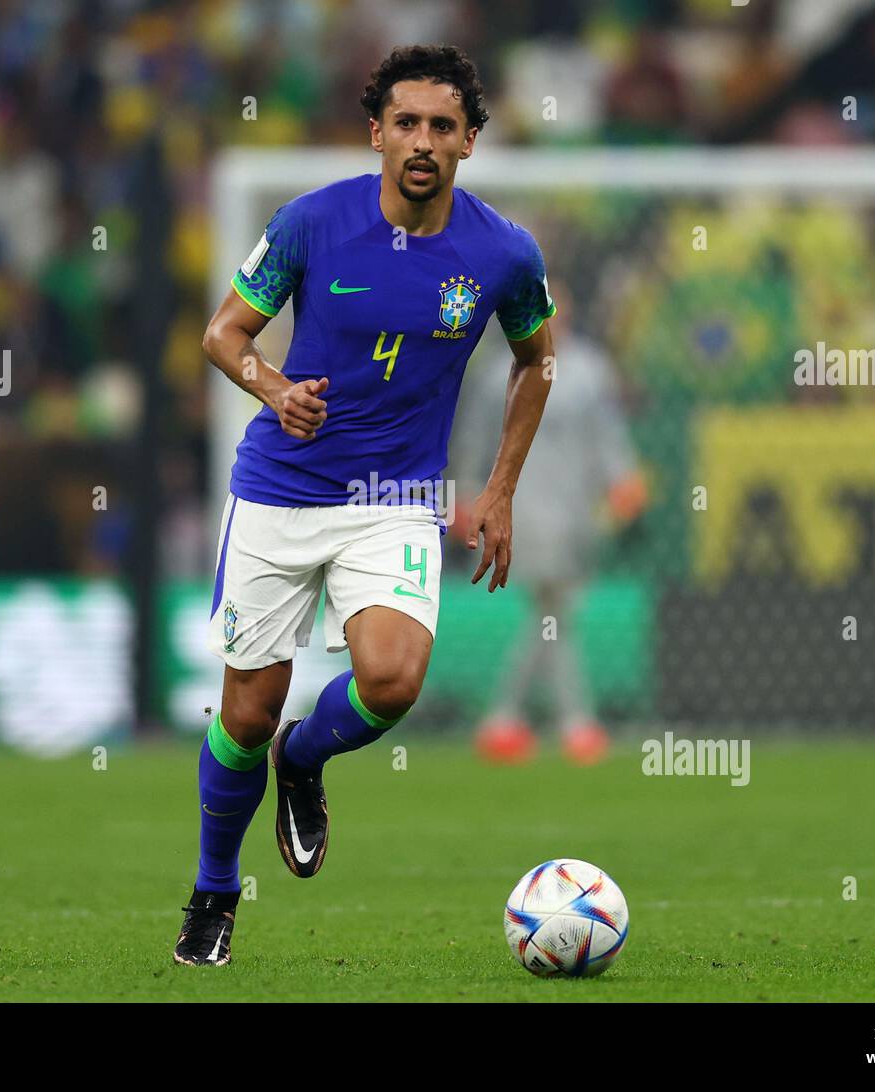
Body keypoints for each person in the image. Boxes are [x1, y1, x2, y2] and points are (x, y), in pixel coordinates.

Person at [179, 44, 557, 966]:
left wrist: (501, 488)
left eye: (442, 125)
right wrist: (272, 388)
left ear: (469, 140)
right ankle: (215, 892)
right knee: (244, 718)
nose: (422, 141)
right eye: (406, 124)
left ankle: (304, 760)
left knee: (391, 682)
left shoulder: (503, 253)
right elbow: (224, 335)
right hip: (281, 490)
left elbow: (535, 359)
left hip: (395, 499)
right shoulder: (312, 223)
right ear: (376, 133)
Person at [453, 280, 646, 765]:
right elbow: (474, 445)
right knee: (554, 606)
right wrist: (461, 497)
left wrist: (622, 479)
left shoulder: (589, 371)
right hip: (520, 509)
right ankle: (571, 722)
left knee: (553, 612)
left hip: (577, 511)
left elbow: (607, 435)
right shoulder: (499, 371)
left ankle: (507, 719)